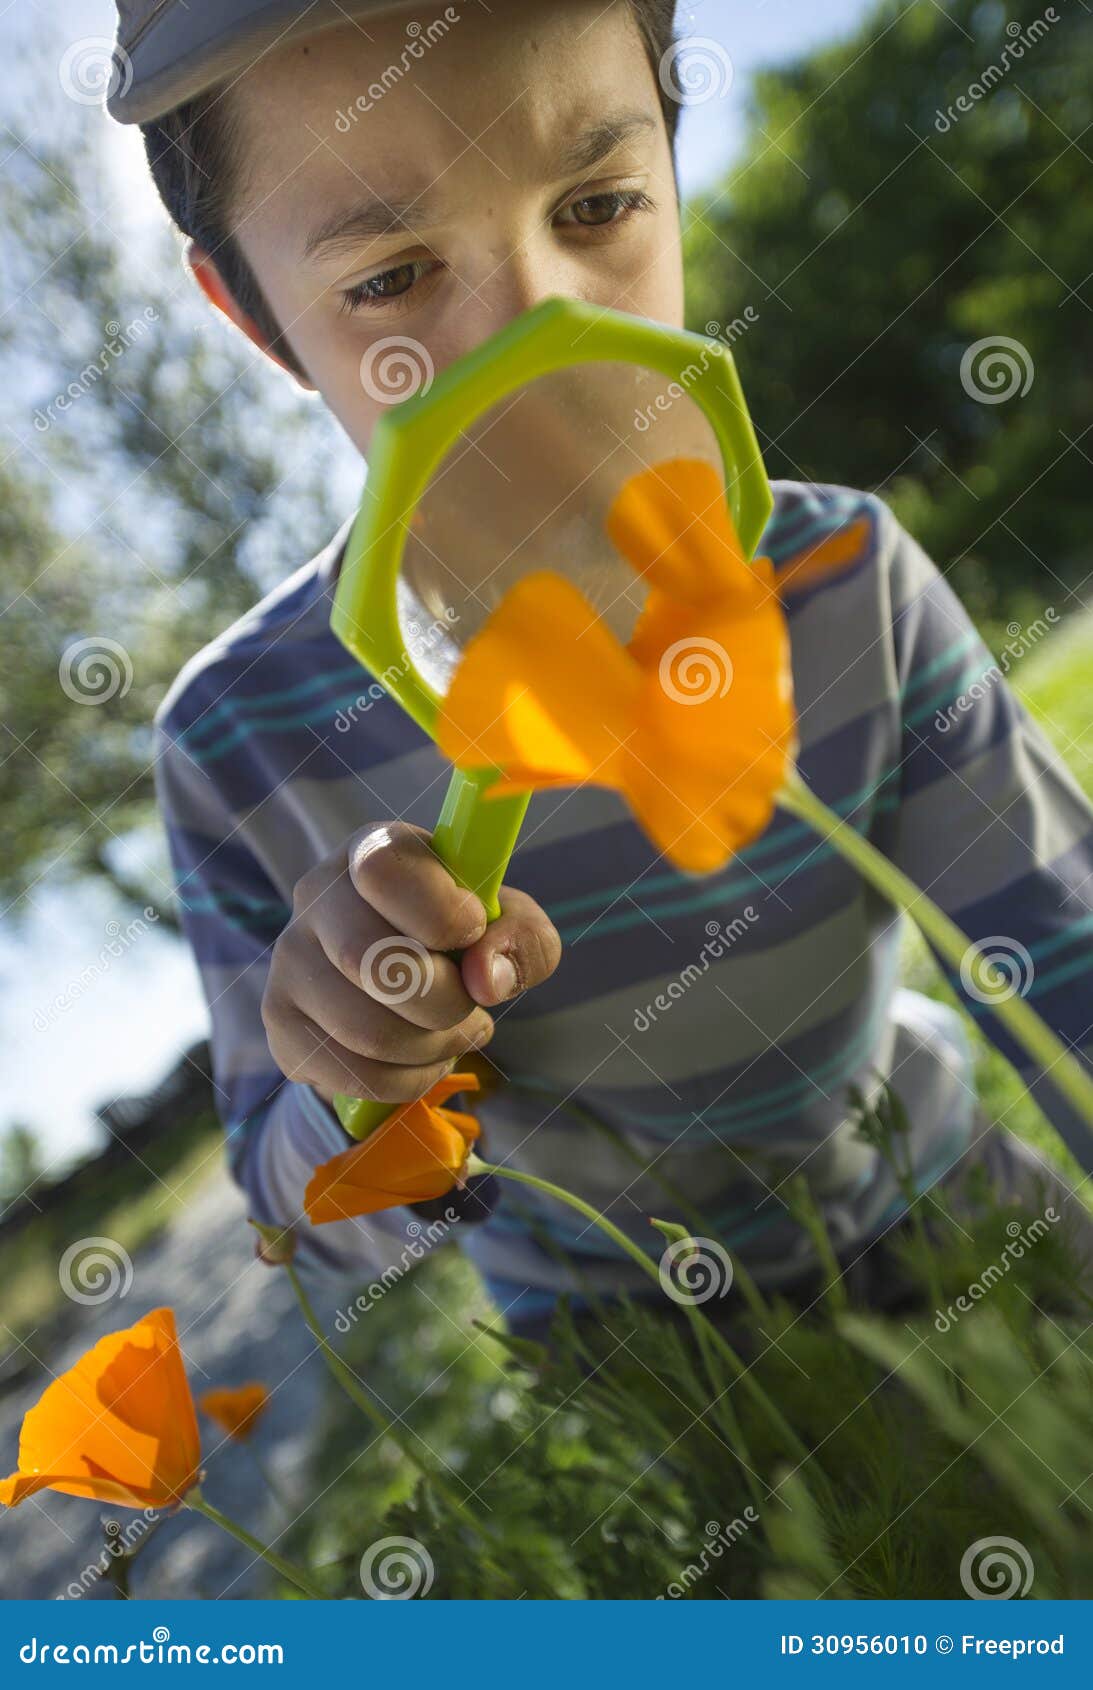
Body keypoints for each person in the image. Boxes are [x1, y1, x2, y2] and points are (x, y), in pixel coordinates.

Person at [108, 0, 1093, 1336]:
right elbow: (305, 1224)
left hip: (948, 1206)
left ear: (673, 173)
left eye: (595, 206)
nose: (539, 330)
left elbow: (1066, 967)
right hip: (626, 1356)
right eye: (391, 277)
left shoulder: (846, 581)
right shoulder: (241, 740)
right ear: (252, 314)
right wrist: (356, 1079)